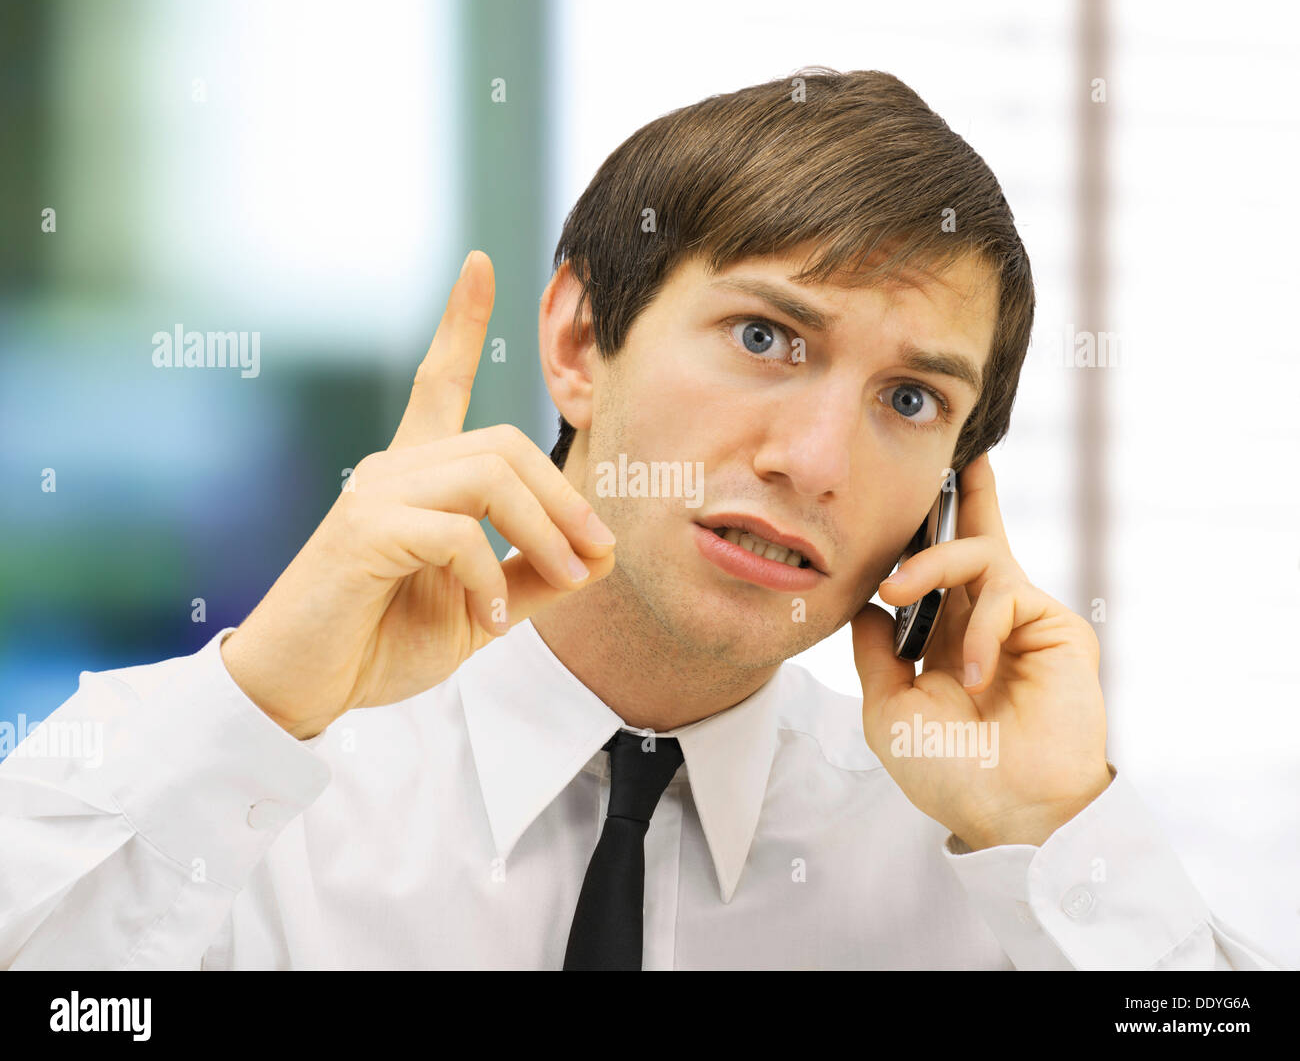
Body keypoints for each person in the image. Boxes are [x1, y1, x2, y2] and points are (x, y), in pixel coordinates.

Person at [0, 69, 1282, 970]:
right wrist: (257, 706)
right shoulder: (233, 780)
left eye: (908, 397)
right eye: (766, 335)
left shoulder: (1001, 869)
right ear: (575, 343)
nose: (815, 461)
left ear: (955, 484)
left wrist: (1056, 838)